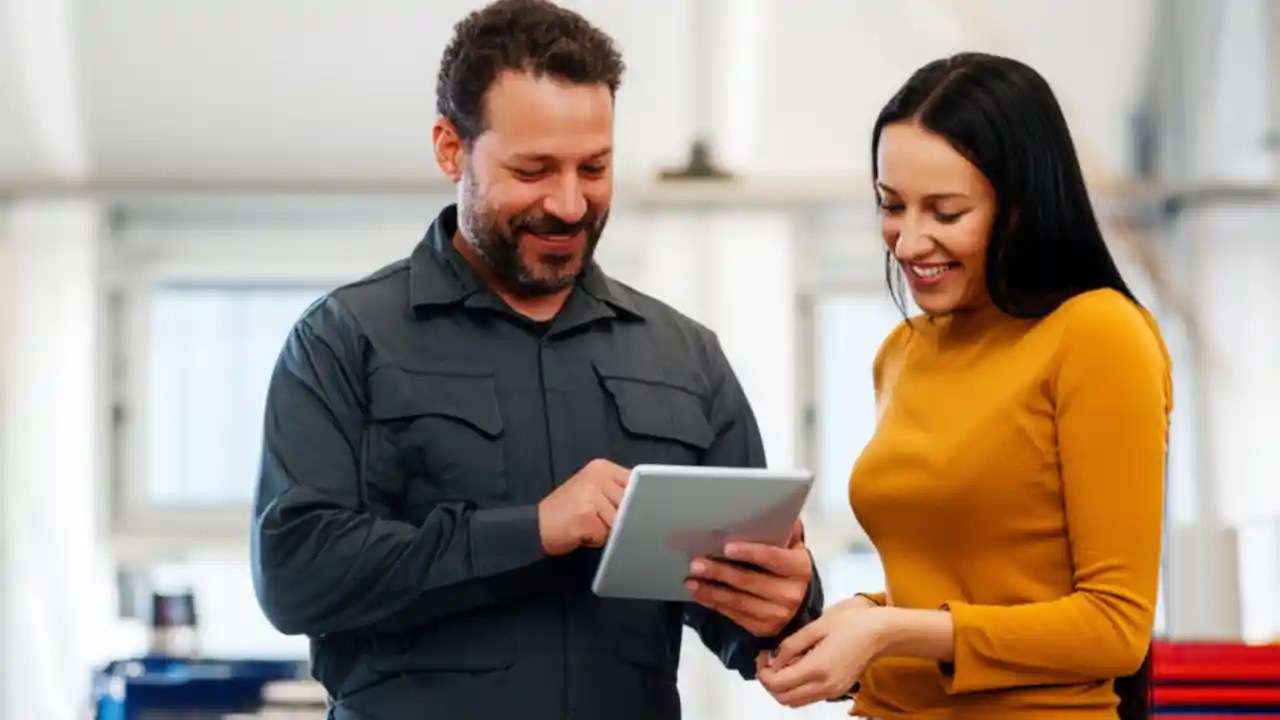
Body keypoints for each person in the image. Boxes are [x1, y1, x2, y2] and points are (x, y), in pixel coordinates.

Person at [249, 1, 822, 718]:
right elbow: (296, 573)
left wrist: (787, 602)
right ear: (451, 150)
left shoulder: (685, 356)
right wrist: (535, 530)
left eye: (594, 167)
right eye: (533, 169)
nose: (570, 204)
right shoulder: (343, 340)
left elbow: (741, 608)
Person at [755, 53, 1172, 719]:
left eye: (946, 213)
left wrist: (887, 631)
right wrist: (857, 621)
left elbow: (1115, 628)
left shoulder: (1098, 335)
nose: (908, 242)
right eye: (892, 206)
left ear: (1021, 207)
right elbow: (948, 590)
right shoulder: (903, 351)